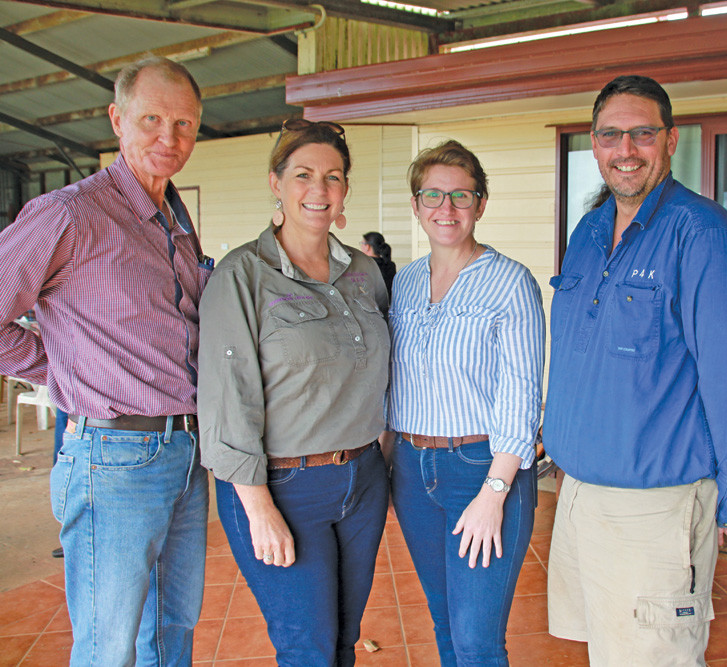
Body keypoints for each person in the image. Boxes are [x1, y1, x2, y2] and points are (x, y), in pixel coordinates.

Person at [543, 75, 727, 665]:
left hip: (655, 505)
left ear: (669, 141)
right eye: (612, 134)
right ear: (594, 143)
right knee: (607, 651)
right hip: (582, 495)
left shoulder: (703, 233)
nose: (626, 148)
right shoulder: (589, 231)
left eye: (643, 133)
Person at [0, 56, 210, 665]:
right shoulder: (69, 213)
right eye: (151, 119)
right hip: (113, 459)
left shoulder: (173, 215)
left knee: (172, 632)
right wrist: (59, 367)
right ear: (117, 119)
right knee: (108, 646)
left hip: (186, 454)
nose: (168, 140)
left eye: (185, 125)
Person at [198, 119, 390, 665]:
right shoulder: (243, 276)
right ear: (276, 183)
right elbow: (227, 397)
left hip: (362, 478)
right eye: (303, 174)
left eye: (333, 176)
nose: (319, 189)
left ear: (345, 189)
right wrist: (257, 507)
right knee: (307, 649)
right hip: (284, 487)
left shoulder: (363, 272)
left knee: (342, 642)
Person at [386, 140, 545, 665]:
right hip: (412, 468)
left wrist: (494, 491)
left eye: (461, 196)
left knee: (478, 640)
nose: (446, 208)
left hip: (482, 467)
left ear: (480, 204)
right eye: (432, 195)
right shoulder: (404, 283)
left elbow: (521, 394)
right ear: (415, 205)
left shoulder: (510, 282)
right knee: (446, 622)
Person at [361, 230, 397, 297]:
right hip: (388, 305)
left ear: (367, 246)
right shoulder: (390, 264)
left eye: (362, 243)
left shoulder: (363, 264)